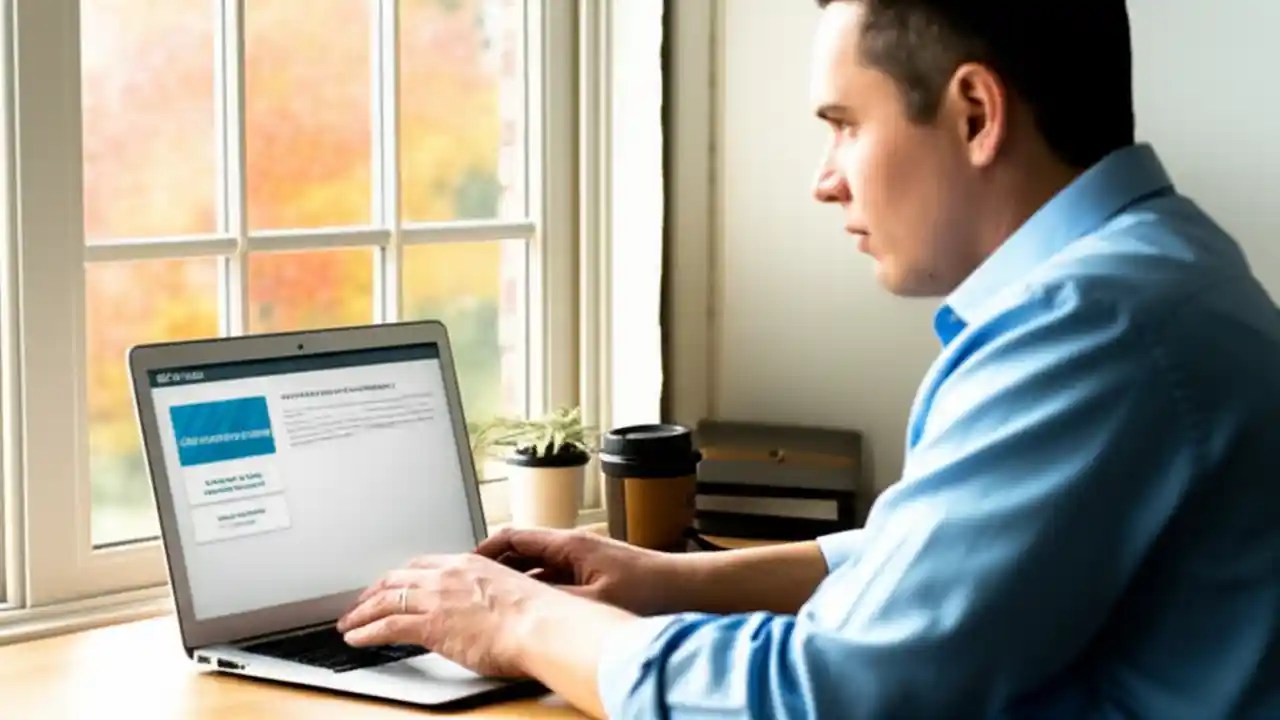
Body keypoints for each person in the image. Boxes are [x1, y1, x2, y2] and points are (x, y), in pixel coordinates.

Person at [337, 1, 1280, 717]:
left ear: (975, 113)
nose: (824, 179)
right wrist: (670, 578)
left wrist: (519, 622)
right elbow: (949, 562)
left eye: (844, 123)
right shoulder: (1159, 269)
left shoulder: (1091, 323)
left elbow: (839, 693)